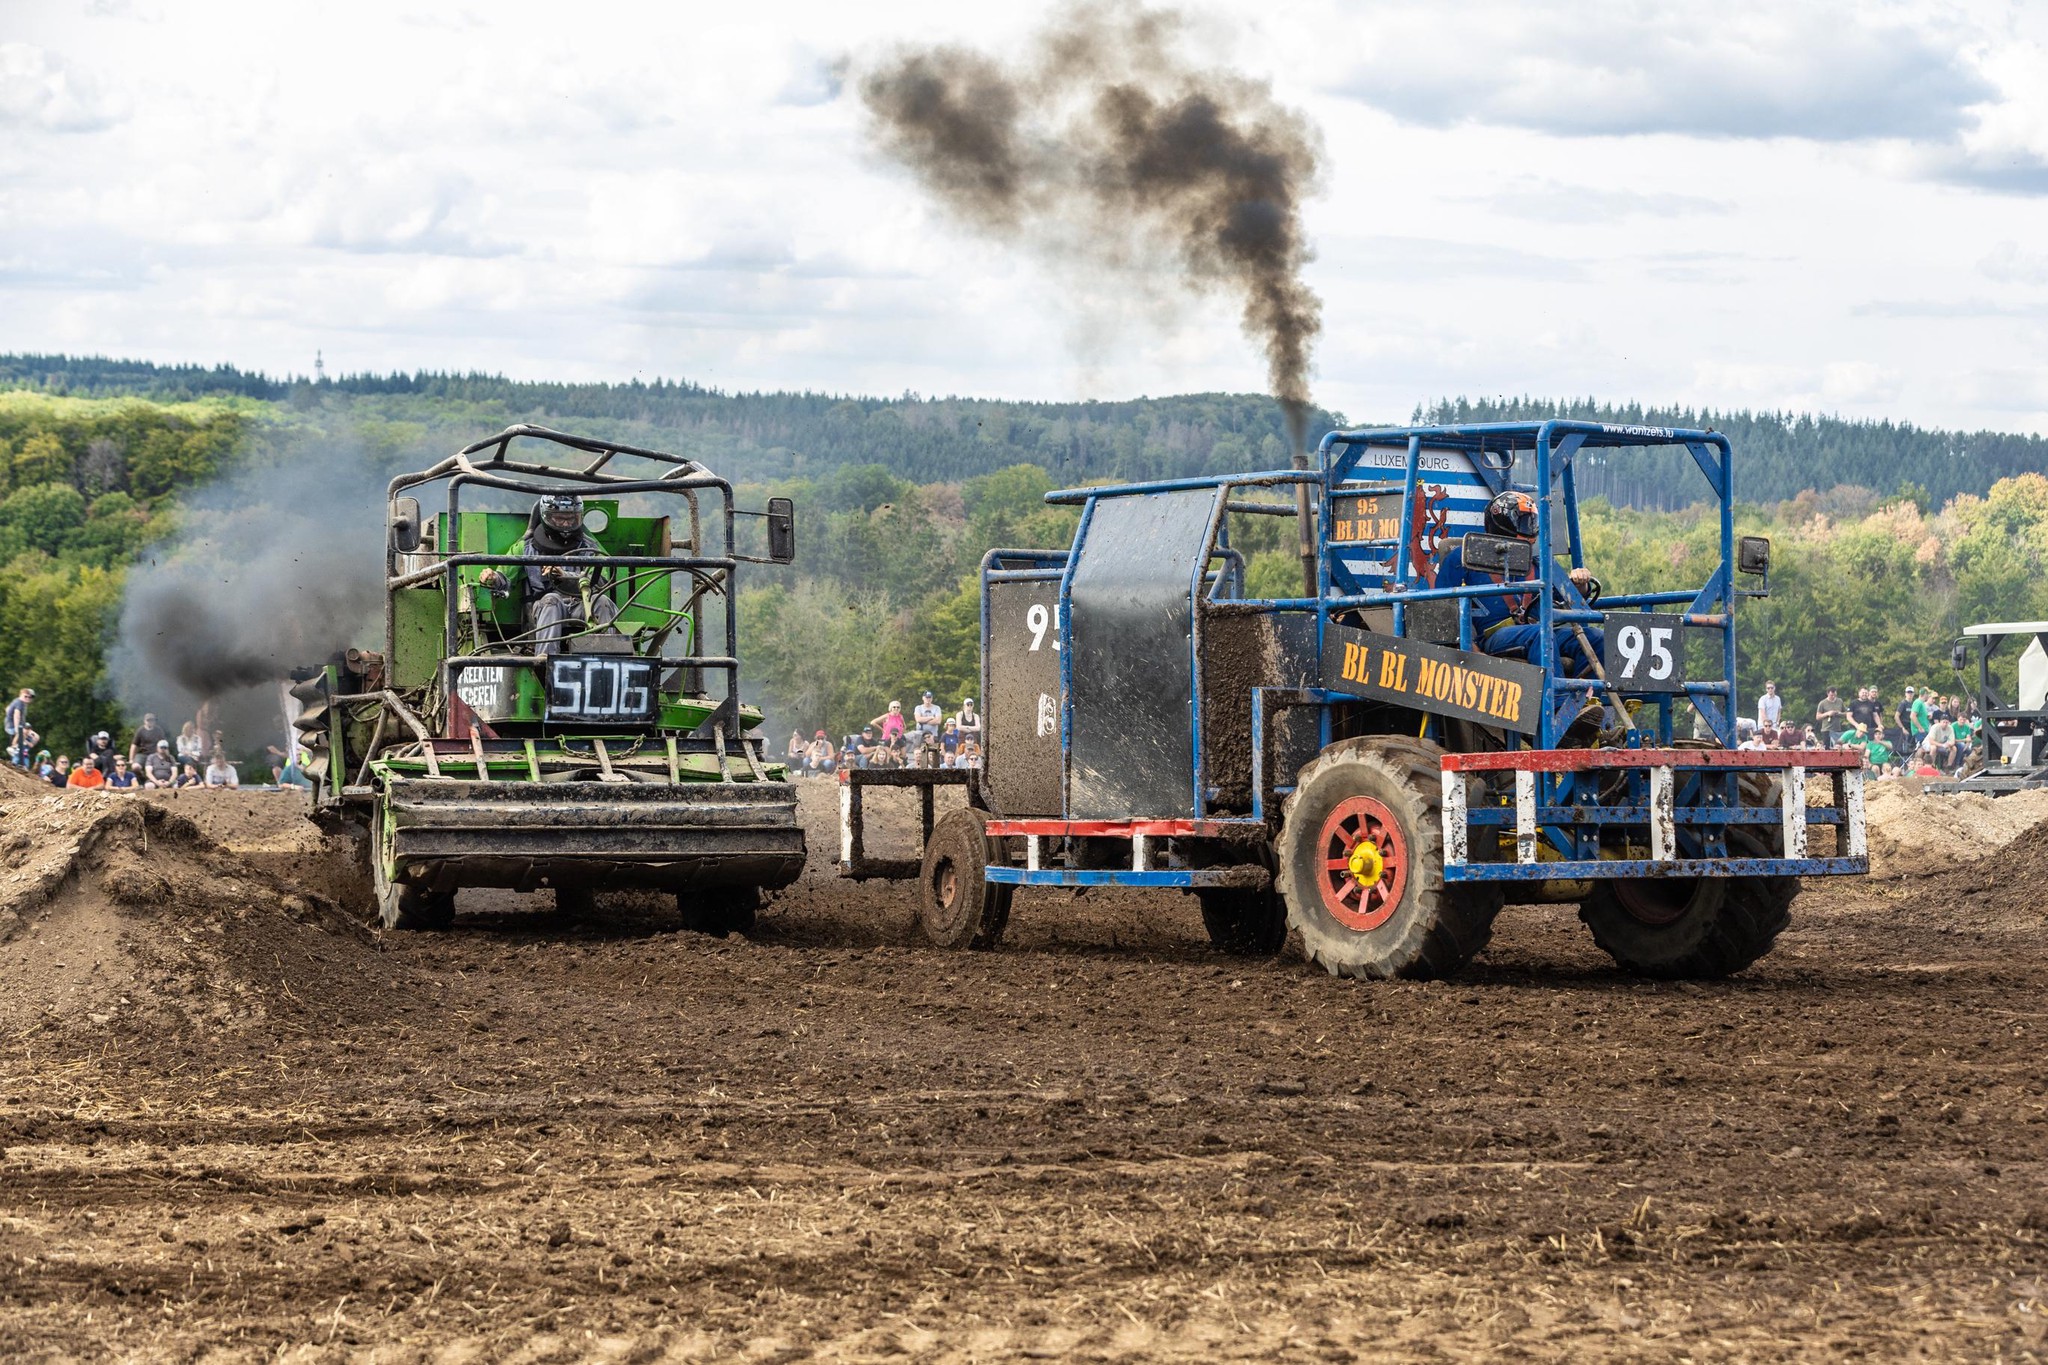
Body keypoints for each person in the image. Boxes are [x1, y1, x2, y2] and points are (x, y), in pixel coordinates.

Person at [1432, 490, 1605, 741]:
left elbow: (1565, 599)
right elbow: (1439, 608)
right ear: (1504, 521)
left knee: (1595, 637)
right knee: (1541, 635)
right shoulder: (1463, 557)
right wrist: (1468, 646)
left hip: (1537, 630)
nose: (1531, 528)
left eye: (1532, 521)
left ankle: (1587, 707)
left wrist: (1580, 584)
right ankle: (1558, 710)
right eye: (1525, 521)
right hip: (1495, 637)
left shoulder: (1536, 564)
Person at [477, 492, 619, 657]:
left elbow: (601, 582)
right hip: (544, 609)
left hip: (581, 606)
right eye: (559, 518)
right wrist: (493, 578)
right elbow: (505, 578)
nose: (566, 524)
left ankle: (611, 657)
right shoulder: (526, 548)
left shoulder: (590, 547)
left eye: (571, 519)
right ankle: (545, 659)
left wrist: (564, 577)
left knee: (602, 601)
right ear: (546, 517)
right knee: (552, 600)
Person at [3, 688, 31, 765]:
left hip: (10, 725)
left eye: (29, 697)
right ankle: (12, 748)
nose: (27, 698)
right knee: (22, 735)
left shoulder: (16, 701)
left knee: (27, 734)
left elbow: (7, 708)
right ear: (21, 695)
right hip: (12, 727)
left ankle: (16, 748)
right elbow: (16, 715)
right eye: (25, 696)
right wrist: (17, 728)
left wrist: (8, 716)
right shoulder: (19, 703)